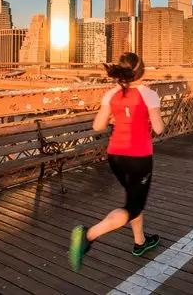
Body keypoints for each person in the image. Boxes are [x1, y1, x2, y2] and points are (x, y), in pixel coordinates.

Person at [69, 52, 165, 272]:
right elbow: (159, 128)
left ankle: (140, 242)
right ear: (141, 71)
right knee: (132, 206)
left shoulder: (111, 94)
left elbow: (97, 126)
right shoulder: (149, 94)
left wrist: (118, 116)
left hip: (116, 157)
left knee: (133, 197)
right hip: (139, 158)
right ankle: (88, 235)